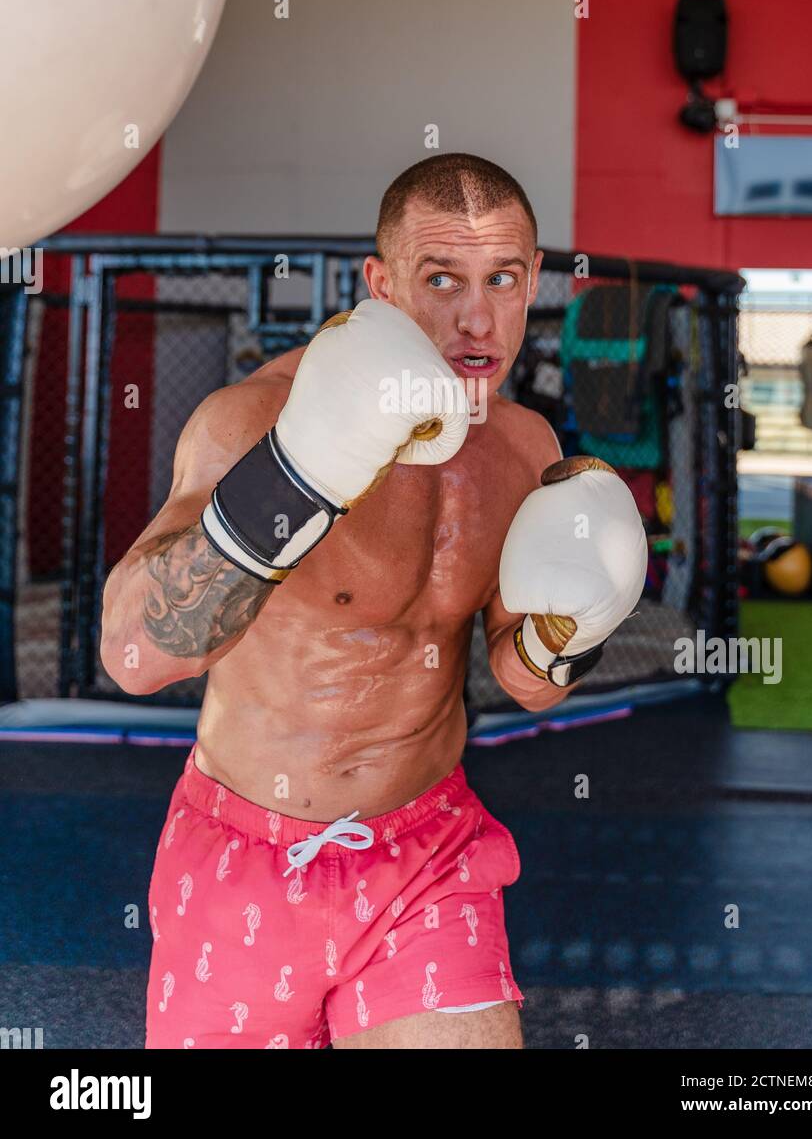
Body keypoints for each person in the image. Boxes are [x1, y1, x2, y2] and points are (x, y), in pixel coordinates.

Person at [101, 152, 647, 1050]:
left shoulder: (523, 447)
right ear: (380, 284)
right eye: (442, 280)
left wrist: (570, 630)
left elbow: (526, 684)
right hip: (245, 858)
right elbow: (135, 656)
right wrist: (294, 478)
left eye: (502, 279)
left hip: (429, 854)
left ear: (533, 281)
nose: (478, 319)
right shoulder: (253, 420)